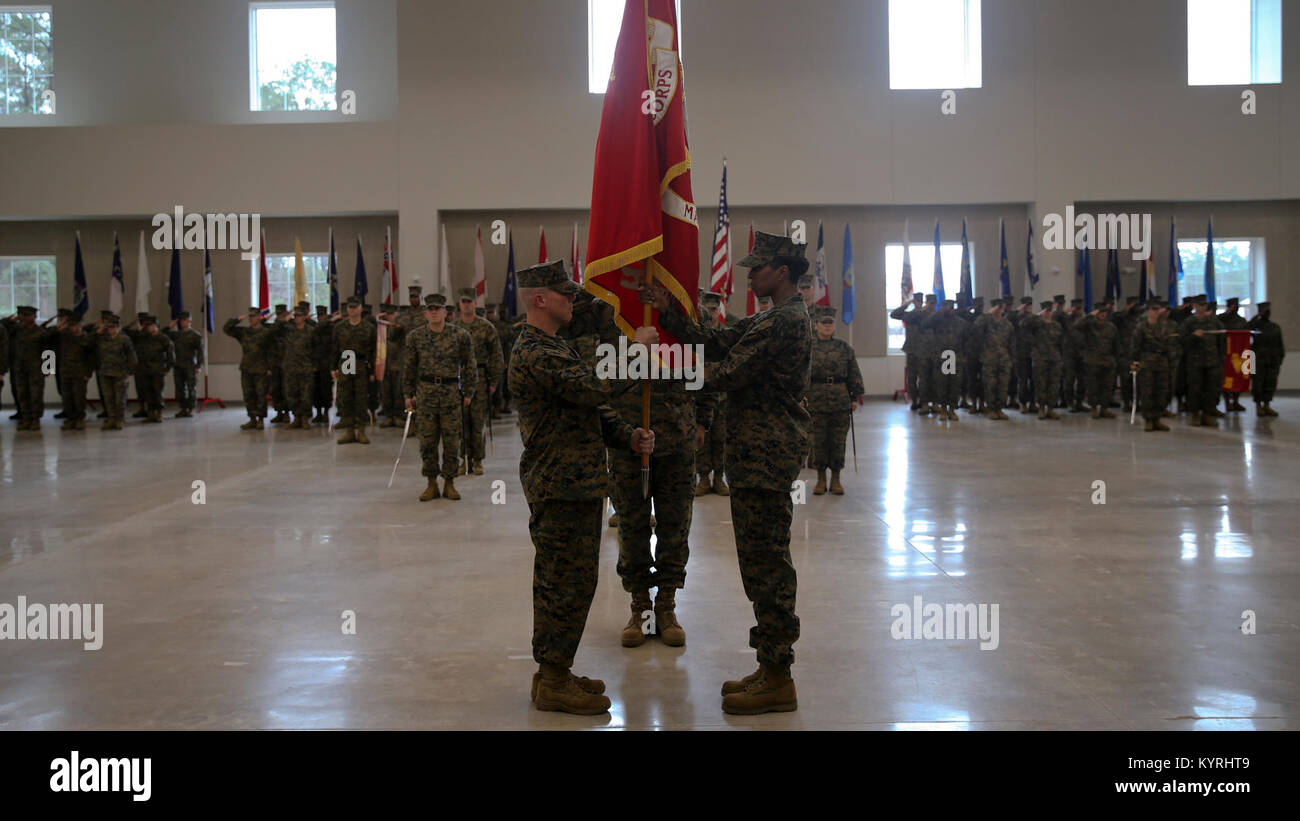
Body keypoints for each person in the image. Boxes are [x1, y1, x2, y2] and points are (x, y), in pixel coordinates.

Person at [645, 231, 810, 715]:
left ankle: (778, 676)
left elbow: (725, 373)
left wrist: (661, 367)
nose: (750, 275)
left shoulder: (787, 321)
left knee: (767, 566)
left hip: (767, 456)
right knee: (759, 564)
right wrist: (671, 313)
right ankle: (770, 664)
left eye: (757, 268)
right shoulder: (772, 317)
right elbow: (716, 340)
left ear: (781, 272)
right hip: (757, 455)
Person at [510, 260, 654, 714]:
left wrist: (627, 435)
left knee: (572, 581)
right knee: (563, 582)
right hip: (560, 484)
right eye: (564, 294)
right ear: (539, 299)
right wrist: (635, 350)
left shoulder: (556, 345)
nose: (573, 301)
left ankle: (555, 670)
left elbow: (587, 409)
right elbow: (593, 387)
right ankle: (553, 678)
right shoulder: (536, 350)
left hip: (577, 482)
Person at [403, 293, 475, 501]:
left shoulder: (460, 336)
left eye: (438, 309)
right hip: (425, 394)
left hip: (451, 393)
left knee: (452, 442)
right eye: (430, 309)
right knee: (427, 442)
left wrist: (469, 392)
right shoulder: (415, 337)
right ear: (426, 313)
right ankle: (431, 483)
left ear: (445, 312)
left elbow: (469, 365)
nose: (434, 312)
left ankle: (450, 483)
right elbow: (409, 368)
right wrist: (408, 394)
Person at [807, 306, 864, 493]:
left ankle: (836, 480)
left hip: (840, 400)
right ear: (816, 325)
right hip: (816, 399)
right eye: (823, 323)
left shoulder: (844, 348)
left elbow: (854, 374)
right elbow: (800, 375)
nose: (827, 326)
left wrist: (854, 397)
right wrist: (800, 397)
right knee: (819, 442)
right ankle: (821, 479)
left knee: (838, 441)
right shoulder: (808, 347)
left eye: (830, 323)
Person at [453, 288, 504, 475]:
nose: (466, 305)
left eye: (469, 301)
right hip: (459, 379)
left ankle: (477, 460)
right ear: (459, 304)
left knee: (477, 421)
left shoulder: (486, 327)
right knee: (461, 423)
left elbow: (497, 355)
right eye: (463, 301)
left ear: (475, 304)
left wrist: (494, 381)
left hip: (481, 379)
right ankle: (463, 458)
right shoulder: (453, 328)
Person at [694, 291, 729, 495]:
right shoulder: (697, 334)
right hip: (699, 394)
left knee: (721, 438)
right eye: (708, 309)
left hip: (723, 397)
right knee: (703, 439)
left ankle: (719, 478)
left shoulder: (726, 335)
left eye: (714, 309)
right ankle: (704, 478)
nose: (712, 313)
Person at [223, 308, 273, 430]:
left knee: (260, 395)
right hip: (247, 367)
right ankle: (252, 418)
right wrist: (238, 319)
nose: (251, 319)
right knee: (248, 395)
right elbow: (227, 329)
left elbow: (272, 351)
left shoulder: (266, 332)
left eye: (254, 316)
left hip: (261, 368)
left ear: (259, 317)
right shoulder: (244, 332)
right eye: (250, 316)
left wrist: (270, 367)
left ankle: (260, 419)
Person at [2, 306, 48, 430]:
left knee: (35, 394)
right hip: (19, 368)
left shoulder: (41, 332)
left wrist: (48, 369)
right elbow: (2, 326)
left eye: (27, 315)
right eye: (21, 315)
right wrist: (12, 319)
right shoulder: (16, 330)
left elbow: (49, 351)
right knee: (22, 394)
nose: (24, 317)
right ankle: (25, 418)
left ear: (34, 317)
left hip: (36, 369)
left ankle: (35, 419)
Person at [271, 306, 318, 428]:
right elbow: (273, 330)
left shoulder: (311, 330)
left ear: (304, 317)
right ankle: (296, 418)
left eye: (299, 316)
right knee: (292, 394)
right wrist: (285, 318)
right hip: (290, 367)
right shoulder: (288, 330)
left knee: (306, 394)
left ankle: (305, 418)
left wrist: (315, 364)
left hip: (306, 367)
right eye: (295, 316)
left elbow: (317, 348)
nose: (296, 318)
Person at [1181, 295, 1224, 427]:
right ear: (1194, 305)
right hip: (1195, 362)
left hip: (1212, 361)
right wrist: (1193, 337)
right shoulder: (1189, 322)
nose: (1203, 307)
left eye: (1205, 305)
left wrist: (1221, 359)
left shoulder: (1214, 321)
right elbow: (1182, 341)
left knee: (1211, 389)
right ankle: (1195, 415)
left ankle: (1208, 414)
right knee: (1195, 389)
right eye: (1200, 305)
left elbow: (1221, 340)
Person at [1131, 298, 1172, 431]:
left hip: (1161, 362)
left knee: (1161, 391)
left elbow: (1168, 344)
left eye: (1157, 310)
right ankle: (1148, 419)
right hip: (1147, 362)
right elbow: (1135, 346)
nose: (1155, 312)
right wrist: (1134, 362)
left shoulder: (1164, 326)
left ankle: (1157, 418)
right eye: (1153, 310)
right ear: (1148, 311)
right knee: (1147, 392)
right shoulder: (1141, 327)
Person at [920, 299, 965, 421]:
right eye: (946, 307)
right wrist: (937, 313)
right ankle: (943, 409)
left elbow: (966, 338)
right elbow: (924, 324)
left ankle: (952, 410)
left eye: (950, 307)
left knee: (955, 385)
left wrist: (964, 356)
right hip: (944, 356)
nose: (949, 310)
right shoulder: (937, 321)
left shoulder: (959, 322)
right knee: (942, 384)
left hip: (955, 356)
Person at [92, 315, 136, 430]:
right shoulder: (102, 338)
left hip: (120, 373)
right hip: (105, 372)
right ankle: (111, 419)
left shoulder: (124, 339)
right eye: (110, 327)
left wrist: (129, 372)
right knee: (108, 398)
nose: (112, 329)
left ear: (119, 327)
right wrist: (97, 332)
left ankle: (119, 419)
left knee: (120, 399)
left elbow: (132, 357)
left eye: (114, 327)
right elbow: (87, 344)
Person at [1021, 301, 1064, 420]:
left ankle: (1050, 409)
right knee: (1041, 384)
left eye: (1049, 311)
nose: (1047, 313)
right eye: (1046, 311)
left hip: (1055, 359)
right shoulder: (1036, 325)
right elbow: (1023, 324)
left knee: (1054, 385)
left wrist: (1061, 358)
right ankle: (1041, 408)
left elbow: (1061, 343)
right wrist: (1037, 315)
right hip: (1040, 359)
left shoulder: (1056, 325)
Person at [973, 299, 1013, 420]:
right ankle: (991, 409)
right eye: (997, 307)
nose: (998, 310)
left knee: (1003, 385)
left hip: (1004, 360)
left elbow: (1012, 342)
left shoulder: (1007, 324)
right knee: (990, 385)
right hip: (990, 359)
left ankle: (999, 409)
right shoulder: (986, 322)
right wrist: (988, 314)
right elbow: (976, 327)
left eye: (1000, 307)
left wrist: (1011, 358)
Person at [1079, 302, 1119, 419]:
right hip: (1093, 361)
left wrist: (1115, 360)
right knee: (1093, 386)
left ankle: (1104, 409)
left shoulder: (1111, 327)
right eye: (1100, 312)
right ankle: (1093, 408)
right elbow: (1077, 325)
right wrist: (1090, 315)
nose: (1102, 314)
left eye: (1104, 312)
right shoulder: (1089, 325)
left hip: (1108, 361)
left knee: (1107, 386)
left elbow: (1116, 345)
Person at [55, 312, 95, 430]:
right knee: (67, 397)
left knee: (79, 397)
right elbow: (47, 337)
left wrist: (88, 373)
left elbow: (91, 358)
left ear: (81, 325)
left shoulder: (87, 339)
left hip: (80, 372)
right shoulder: (65, 336)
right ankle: (70, 419)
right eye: (71, 325)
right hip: (66, 371)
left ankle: (79, 419)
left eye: (76, 325)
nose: (73, 327)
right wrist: (60, 325)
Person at [889, 293, 925, 410]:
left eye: (920, 302)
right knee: (912, 378)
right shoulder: (909, 315)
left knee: (924, 378)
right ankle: (914, 401)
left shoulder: (925, 314)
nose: (918, 304)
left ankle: (924, 402)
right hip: (912, 350)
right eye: (916, 301)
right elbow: (894, 314)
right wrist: (907, 304)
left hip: (925, 350)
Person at [1247, 301, 1283, 417]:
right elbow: (1245, 329)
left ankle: (1267, 405)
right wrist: (1256, 316)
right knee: (1258, 384)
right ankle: (1259, 406)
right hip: (1258, 360)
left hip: (1272, 360)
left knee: (1270, 383)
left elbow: (1280, 344)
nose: (1267, 313)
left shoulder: (1275, 327)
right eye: (1264, 311)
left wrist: (1280, 358)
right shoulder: (1255, 326)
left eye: (1268, 311)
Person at [165, 312, 203, 417]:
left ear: (190, 320)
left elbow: (200, 351)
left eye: (185, 320)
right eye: (181, 320)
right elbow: (163, 335)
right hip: (178, 365)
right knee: (179, 389)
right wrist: (170, 326)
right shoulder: (176, 334)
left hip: (190, 365)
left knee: (191, 388)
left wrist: (199, 365)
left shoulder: (196, 335)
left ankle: (190, 408)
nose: (183, 322)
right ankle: (183, 408)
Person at [1217, 297, 1249, 412]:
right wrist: (1226, 314)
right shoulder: (1221, 319)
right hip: (1226, 353)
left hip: (1239, 355)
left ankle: (1236, 401)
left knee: (1239, 377)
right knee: (1227, 379)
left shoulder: (1242, 321)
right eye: (1231, 306)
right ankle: (1227, 402)